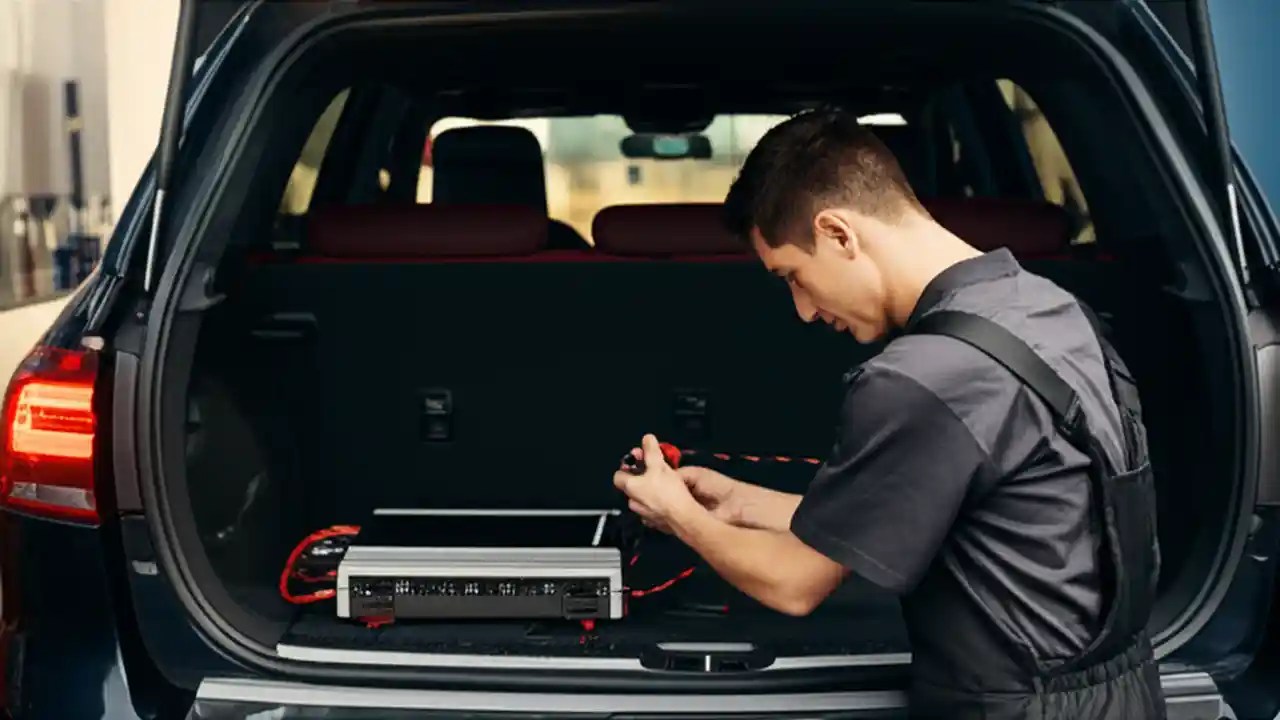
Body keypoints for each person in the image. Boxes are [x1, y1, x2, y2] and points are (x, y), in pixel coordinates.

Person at [612, 109, 1165, 719]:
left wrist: (679, 514)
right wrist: (740, 503)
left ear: (838, 233)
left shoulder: (922, 376)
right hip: (1128, 691)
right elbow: (940, 515)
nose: (801, 310)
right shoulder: (1050, 309)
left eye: (792, 276)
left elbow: (795, 585)